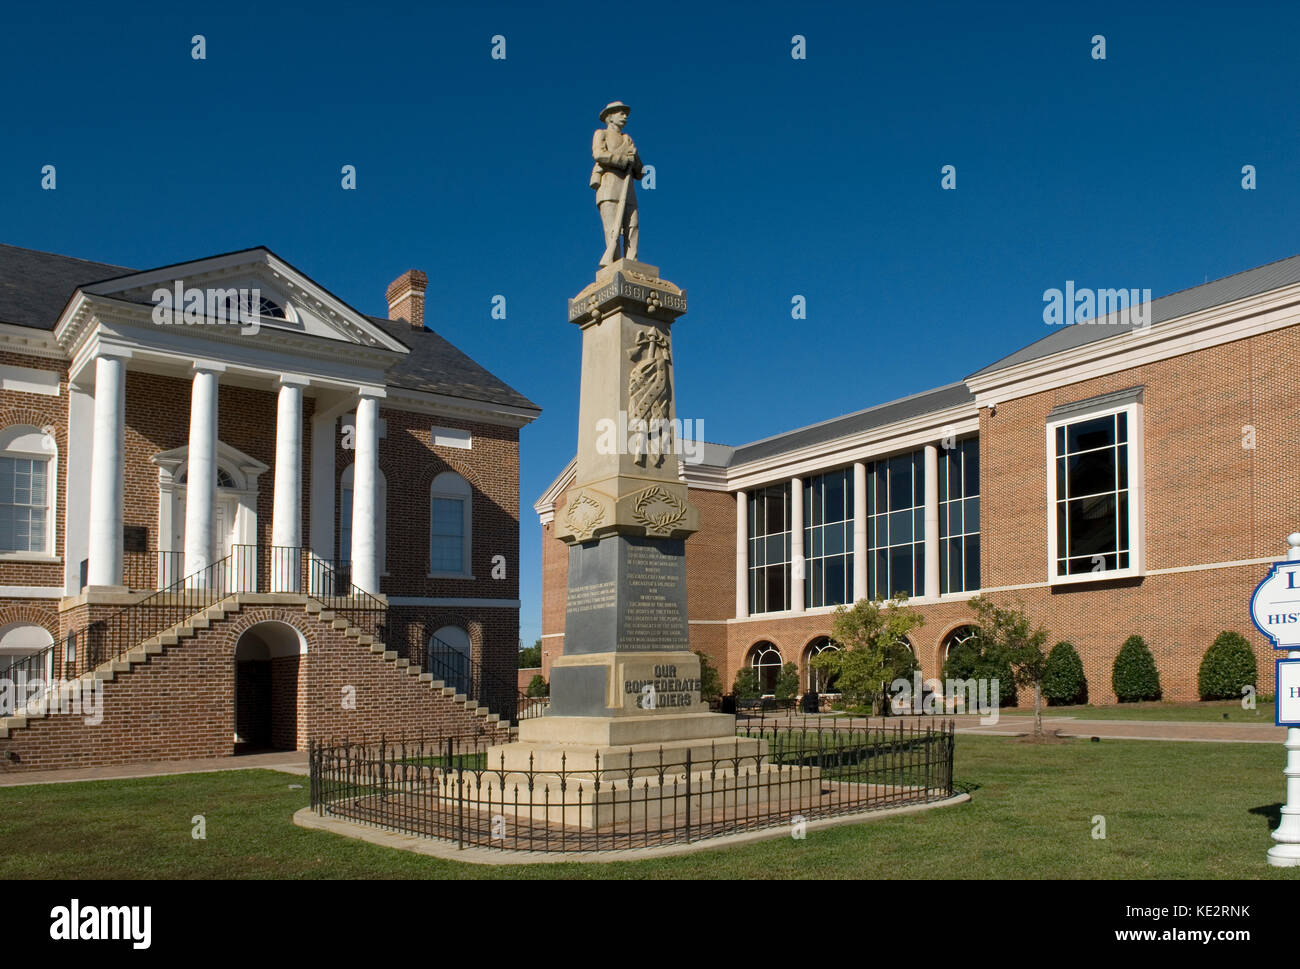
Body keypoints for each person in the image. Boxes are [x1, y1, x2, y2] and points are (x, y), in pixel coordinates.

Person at [590, 101, 644, 265]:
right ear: (610, 117)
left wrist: (634, 160)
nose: (625, 116)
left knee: (632, 225)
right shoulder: (601, 134)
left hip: (627, 188)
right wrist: (622, 160)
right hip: (608, 186)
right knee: (612, 230)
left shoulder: (627, 139)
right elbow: (598, 154)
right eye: (621, 113)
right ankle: (615, 262)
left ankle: (631, 260)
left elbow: (640, 171)